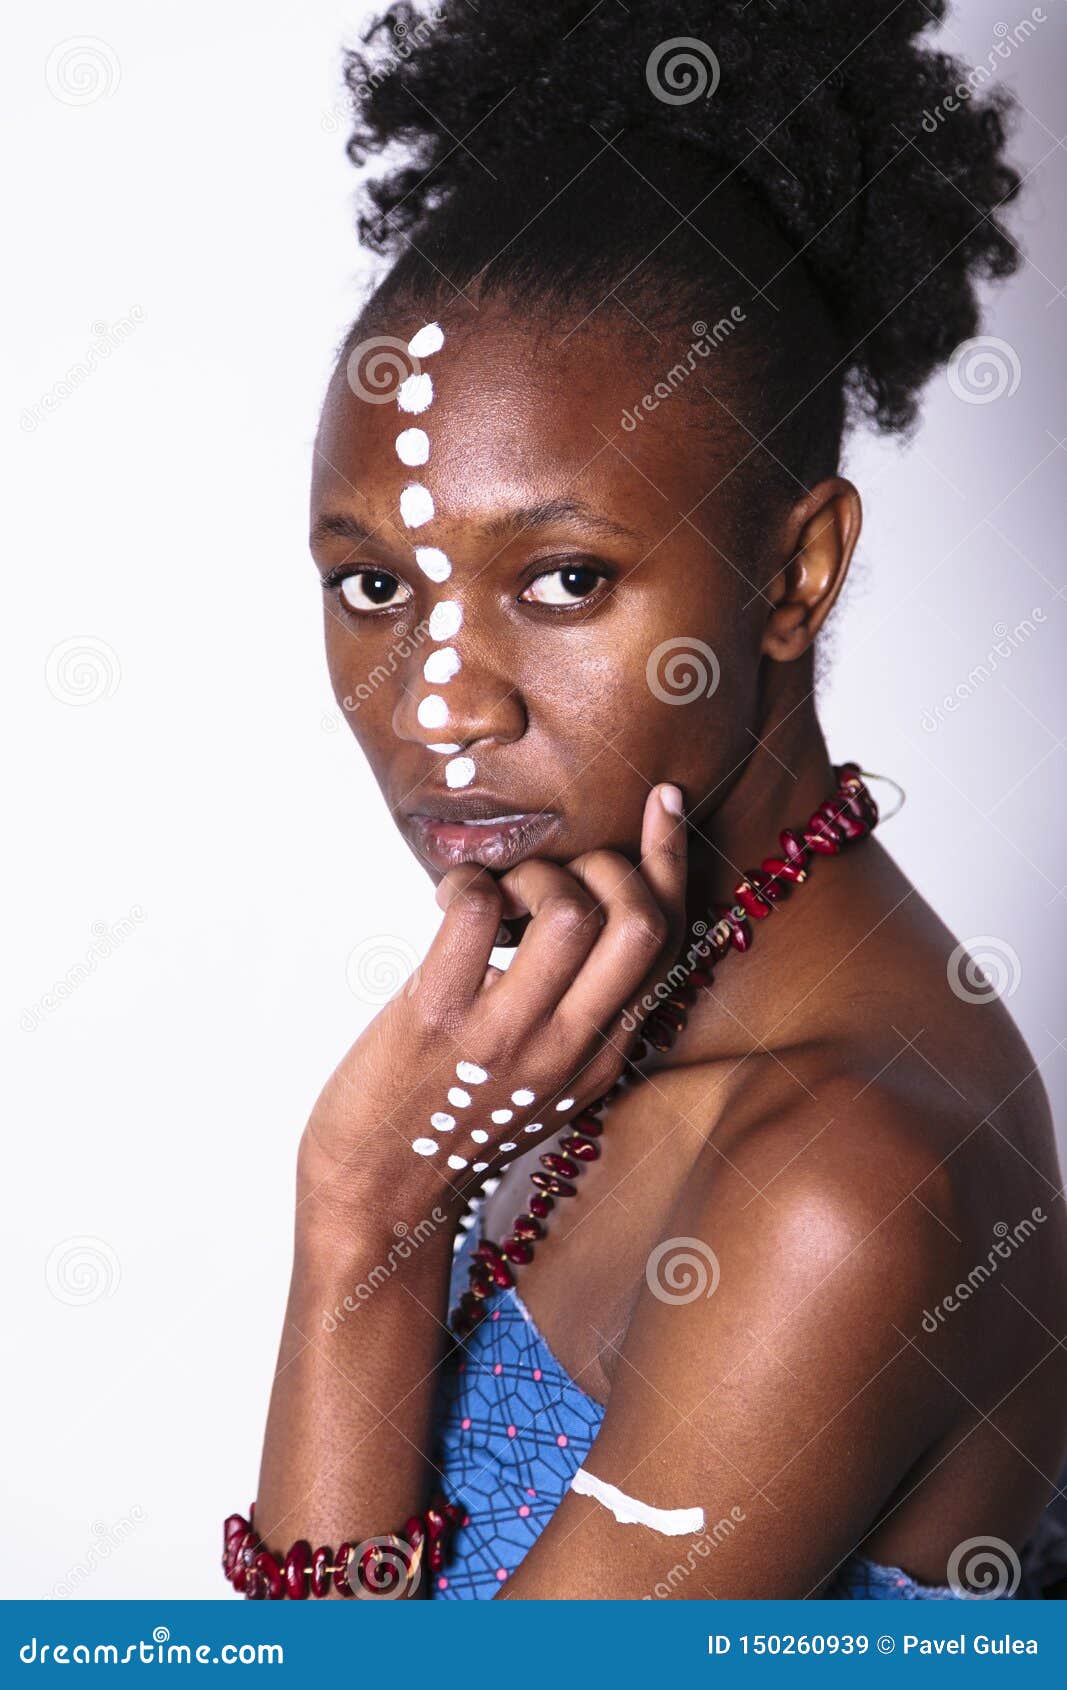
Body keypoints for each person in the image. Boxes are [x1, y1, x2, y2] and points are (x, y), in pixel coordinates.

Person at [223, 0, 1067, 1600]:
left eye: (561, 575)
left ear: (794, 568)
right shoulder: (589, 1021)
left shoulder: (842, 1178)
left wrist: (368, 1221)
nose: (438, 696)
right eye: (373, 581)